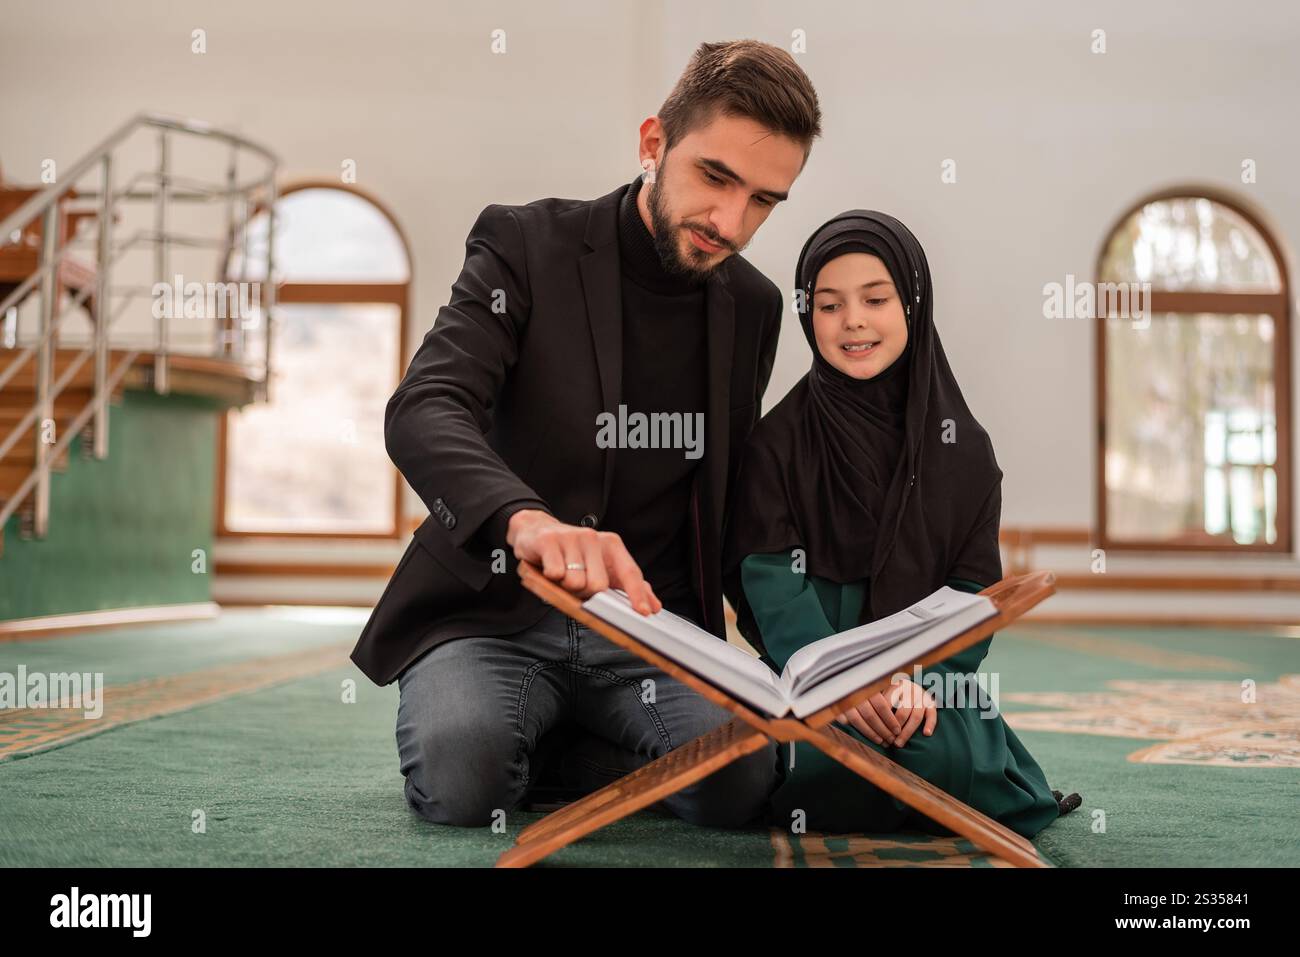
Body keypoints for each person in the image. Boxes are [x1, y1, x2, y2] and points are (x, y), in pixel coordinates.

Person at [350, 40, 822, 828]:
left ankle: (554, 747)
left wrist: (813, 660)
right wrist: (524, 519)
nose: (731, 222)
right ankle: (552, 744)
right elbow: (426, 405)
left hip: (652, 629)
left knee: (744, 776)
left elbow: (734, 496)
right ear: (652, 144)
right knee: (465, 779)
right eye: (715, 177)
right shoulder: (526, 245)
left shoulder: (756, 306)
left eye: (764, 200)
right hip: (494, 610)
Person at [721, 209, 1068, 838]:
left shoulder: (962, 450)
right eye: (828, 305)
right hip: (813, 674)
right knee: (821, 768)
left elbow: (972, 594)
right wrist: (842, 682)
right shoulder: (777, 443)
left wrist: (918, 683)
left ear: (912, 303)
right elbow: (769, 582)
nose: (853, 320)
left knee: (940, 756)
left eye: (875, 299)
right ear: (808, 315)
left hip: (923, 678)